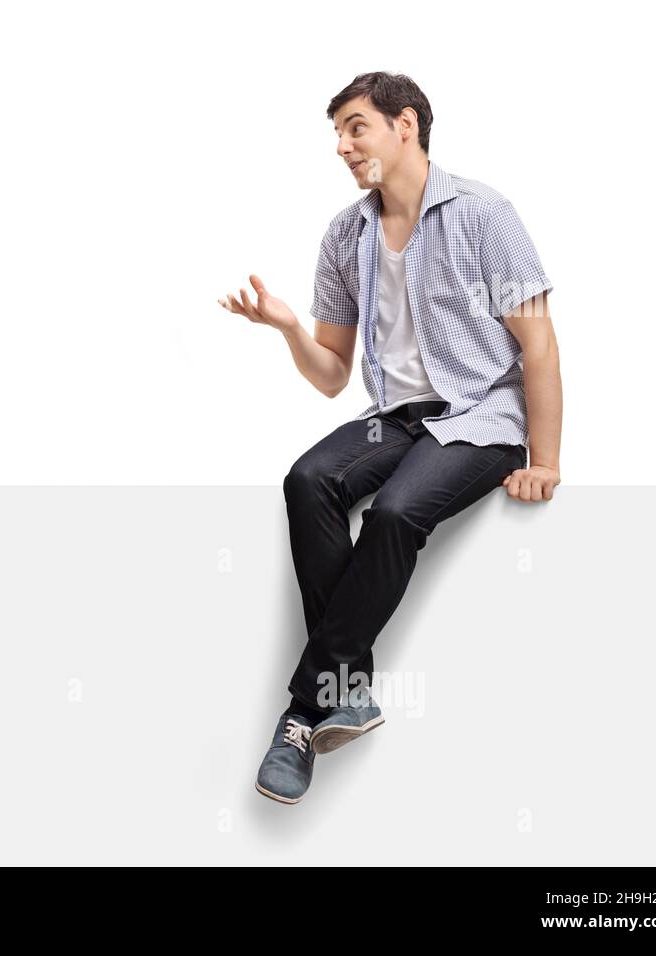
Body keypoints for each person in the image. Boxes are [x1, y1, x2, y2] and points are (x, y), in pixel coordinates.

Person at [218, 71, 562, 804]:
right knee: (309, 478)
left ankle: (306, 711)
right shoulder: (346, 234)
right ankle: (348, 693)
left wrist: (547, 461)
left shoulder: (485, 214)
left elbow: (539, 346)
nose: (342, 145)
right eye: (337, 133)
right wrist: (286, 329)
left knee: (396, 513)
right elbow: (331, 375)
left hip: (480, 417)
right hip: (397, 417)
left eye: (355, 126)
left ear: (405, 125)